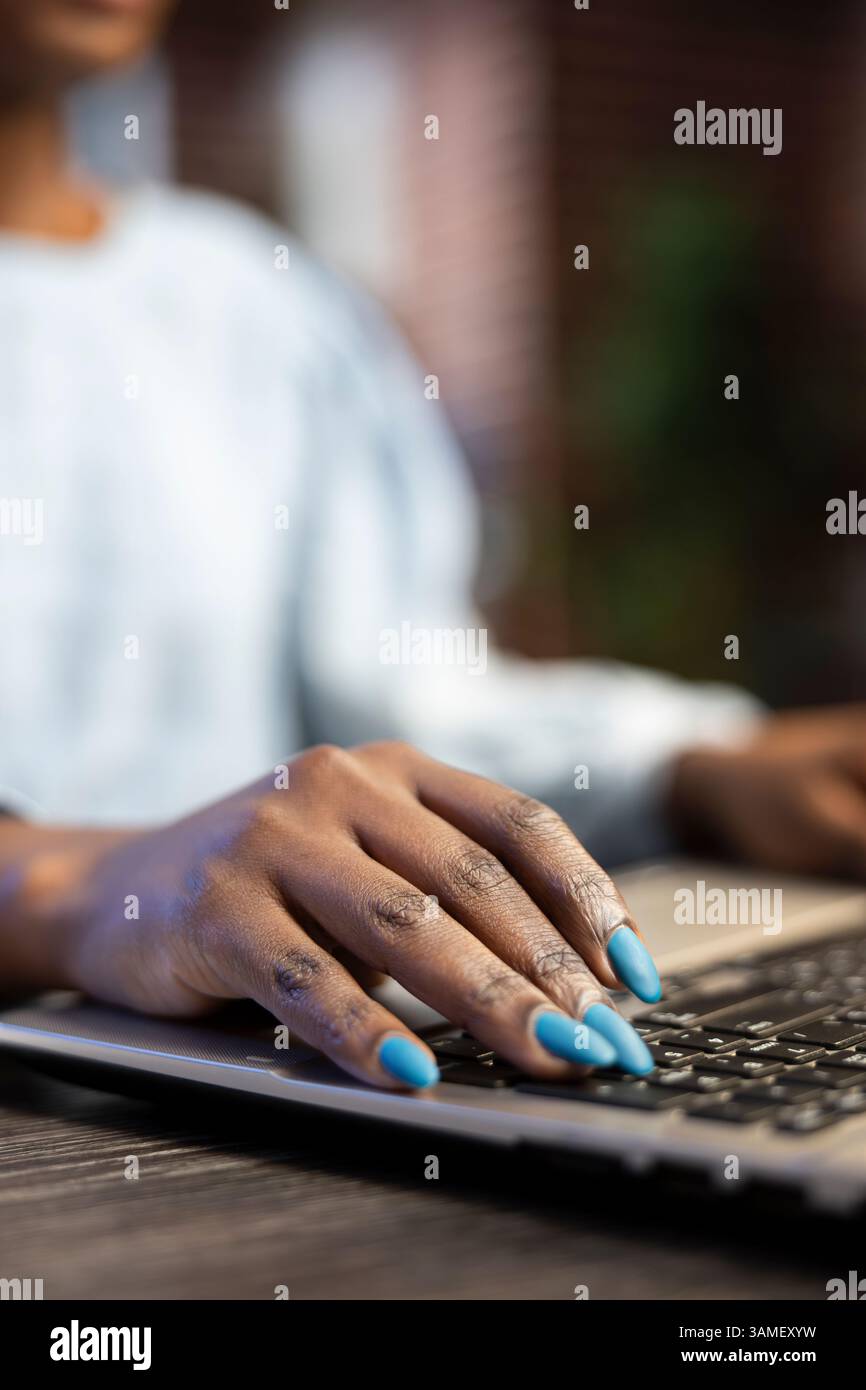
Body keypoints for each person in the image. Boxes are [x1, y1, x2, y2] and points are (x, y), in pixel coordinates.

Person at [2, 0, 865, 1092]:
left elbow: (399, 697)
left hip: (272, 1098)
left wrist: (690, 765)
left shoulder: (257, 300)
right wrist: (77, 888)